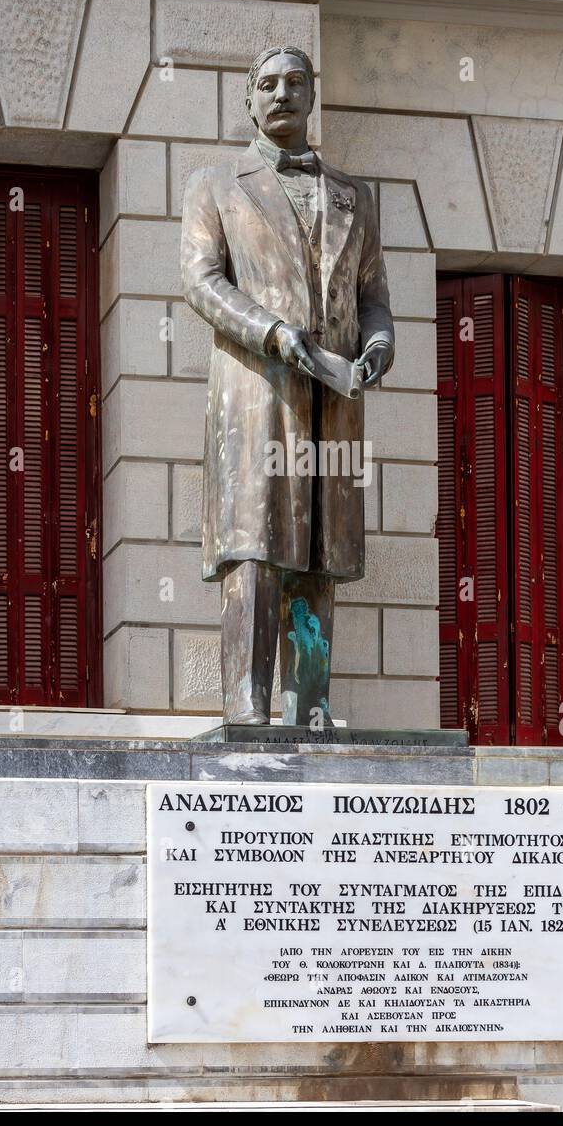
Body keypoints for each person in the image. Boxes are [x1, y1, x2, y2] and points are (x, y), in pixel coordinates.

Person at [181, 45, 394, 726]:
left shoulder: (354, 196)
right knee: (257, 545)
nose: (282, 94)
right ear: (250, 99)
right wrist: (274, 333)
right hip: (255, 390)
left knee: (318, 553)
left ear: (311, 95)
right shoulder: (215, 186)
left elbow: (373, 295)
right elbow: (202, 282)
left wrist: (380, 343)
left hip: (333, 399)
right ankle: (247, 709)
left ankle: (310, 706)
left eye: (295, 83)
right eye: (268, 84)